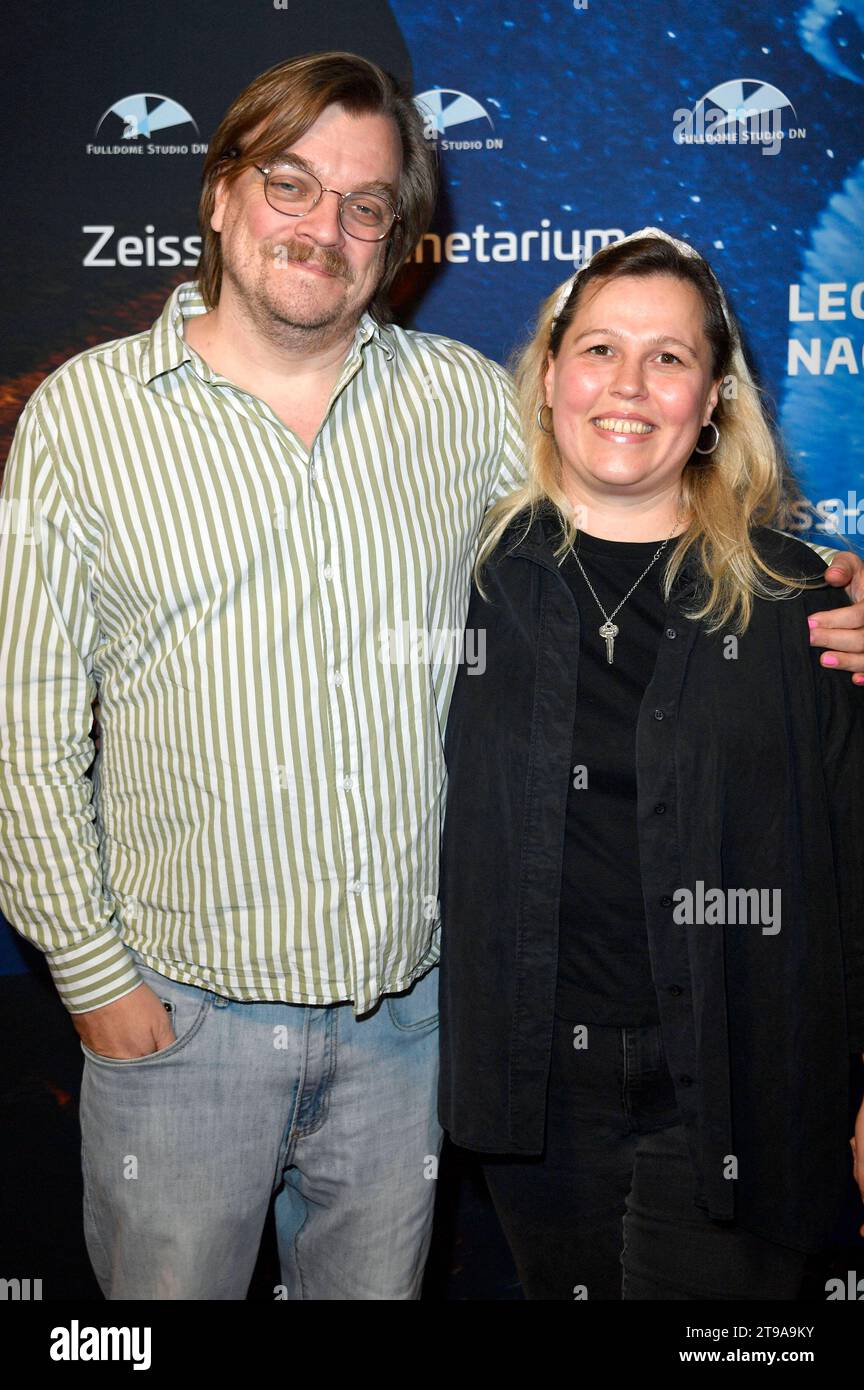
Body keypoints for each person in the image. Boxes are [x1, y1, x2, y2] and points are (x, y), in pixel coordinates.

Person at [0, 51, 862, 1299]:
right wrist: (93, 981)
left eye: (365, 204)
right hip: (182, 1023)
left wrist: (830, 592)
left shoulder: (459, 408)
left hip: (415, 1028)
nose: (324, 227)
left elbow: (649, 507)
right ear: (221, 196)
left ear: (401, 236)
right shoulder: (86, 420)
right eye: (291, 185)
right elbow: (23, 725)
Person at [437, 228, 864, 1301]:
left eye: (669, 356)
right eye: (599, 350)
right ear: (547, 379)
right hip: (536, 1095)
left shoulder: (800, 602)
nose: (628, 385)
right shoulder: (466, 577)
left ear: (714, 397)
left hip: (742, 1084)